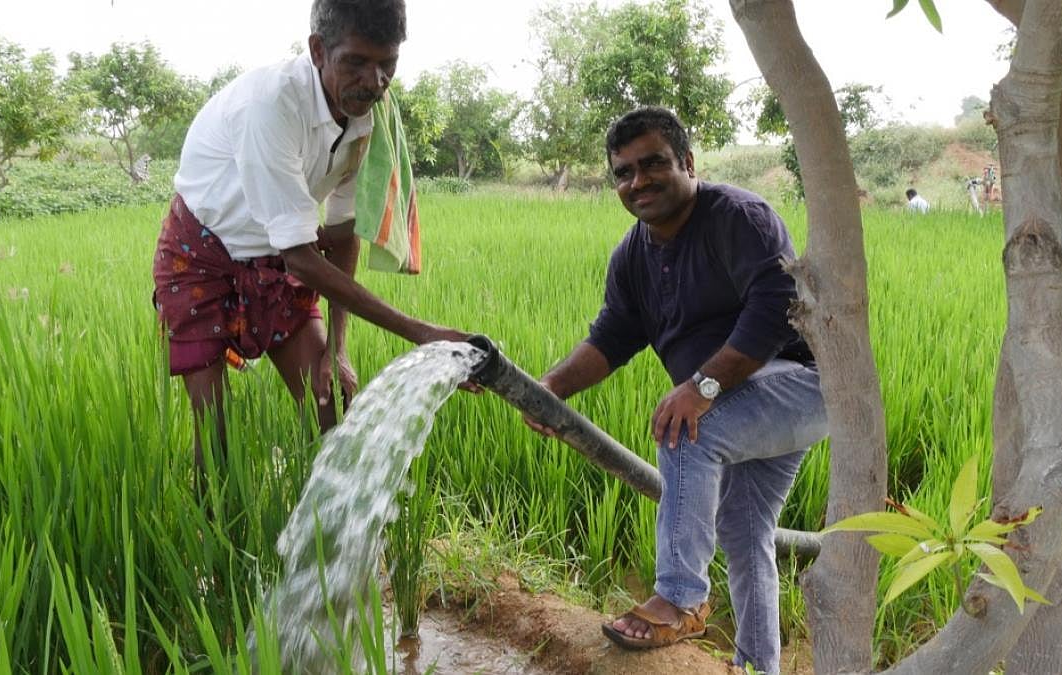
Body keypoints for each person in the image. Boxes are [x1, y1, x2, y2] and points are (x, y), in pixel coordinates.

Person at [524, 107, 826, 673]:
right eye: (624, 172)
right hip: (741, 403)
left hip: (800, 386)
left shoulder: (738, 217)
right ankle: (756, 666)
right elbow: (613, 336)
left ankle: (681, 598)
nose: (638, 181)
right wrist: (551, 387)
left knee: (687, 430)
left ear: (687, 162)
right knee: (745, 531)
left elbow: (775, 307)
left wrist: (702, 386)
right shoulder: (632, 256)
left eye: (653, 164)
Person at [152, 0, 466, 475]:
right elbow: (302, 257)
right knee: (215, 432)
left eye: (387, 64)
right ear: (318, 50)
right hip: (200, 255)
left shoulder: (369, 118)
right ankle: (212, 519)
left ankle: (332, 520)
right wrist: (422, 334)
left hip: (273, 256)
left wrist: (336, 351)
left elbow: (341, 235)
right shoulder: (271, 106)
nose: (374, 82)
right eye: (356, 62)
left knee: (331, 401)